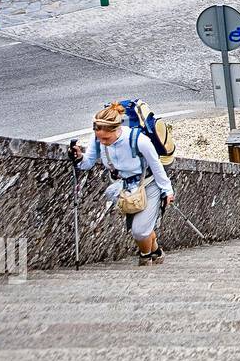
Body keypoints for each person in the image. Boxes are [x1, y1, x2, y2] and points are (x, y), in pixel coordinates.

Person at [73, 103, 174, 266]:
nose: (103, 142)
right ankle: (156, 252)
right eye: (99, 138)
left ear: (116, 129)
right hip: (123, 189)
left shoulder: (139, 140)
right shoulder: (98, 139)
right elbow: (88, 162)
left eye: (106, 138)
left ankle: (145, 257)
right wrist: (79, 157)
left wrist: (167, 191)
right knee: (142, 226)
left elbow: (157, 167)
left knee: (139, 231)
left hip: (148, 184)